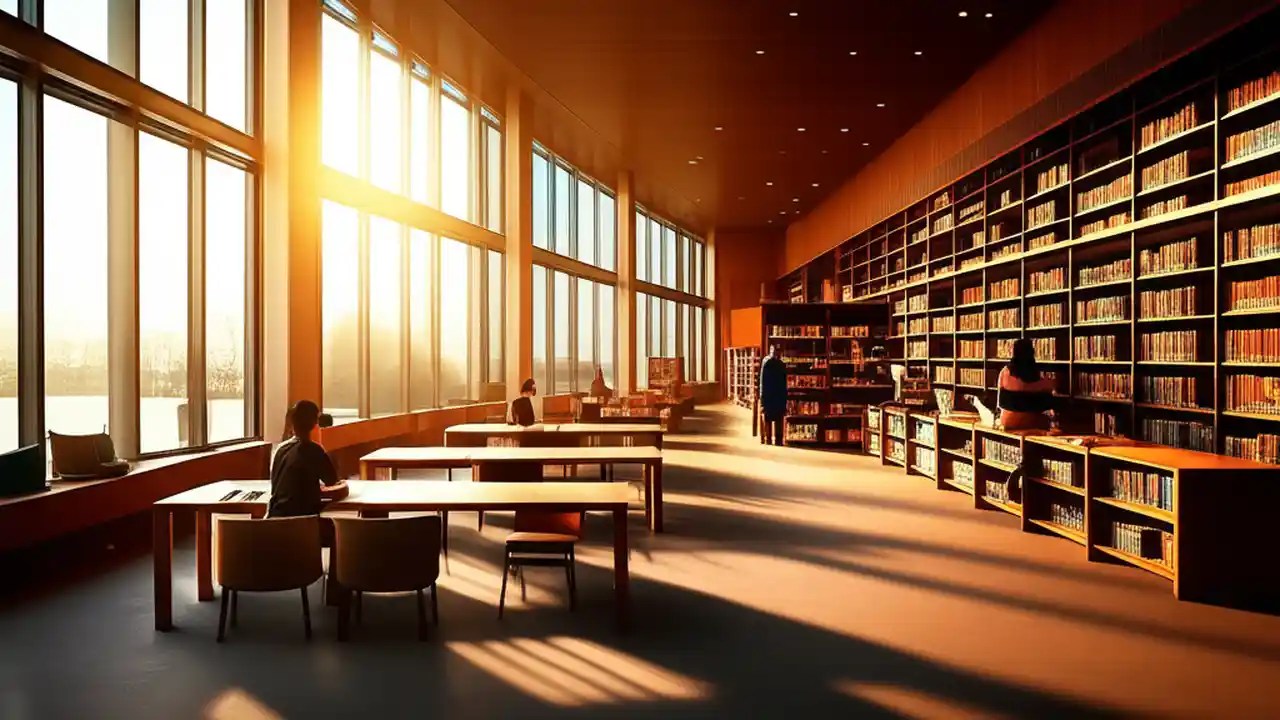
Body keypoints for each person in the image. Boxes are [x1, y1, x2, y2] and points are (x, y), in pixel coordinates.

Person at [268, 400, 341, 518]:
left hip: (275, 518)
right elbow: (332, 481)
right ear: (314, 424)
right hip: (302, 523)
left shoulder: (281, 450)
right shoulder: (314, 450)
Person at [997, 338, 1056, 431]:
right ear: (1032, 353)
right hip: (1031, 422)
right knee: (1050, 420)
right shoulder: (1037, 377)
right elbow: (1050, 393)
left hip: (1007, 421)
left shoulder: (1004, 372)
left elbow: (1000, 403)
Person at [758, 344, 787, 445]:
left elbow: (762, 381)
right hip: (776, 395)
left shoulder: (767, 363)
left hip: (770, 395)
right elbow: (784, 383)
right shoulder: (780, 364)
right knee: (776, 418)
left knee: (768, 418)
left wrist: (762, 398)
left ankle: (768, 439)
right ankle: (776, 440)